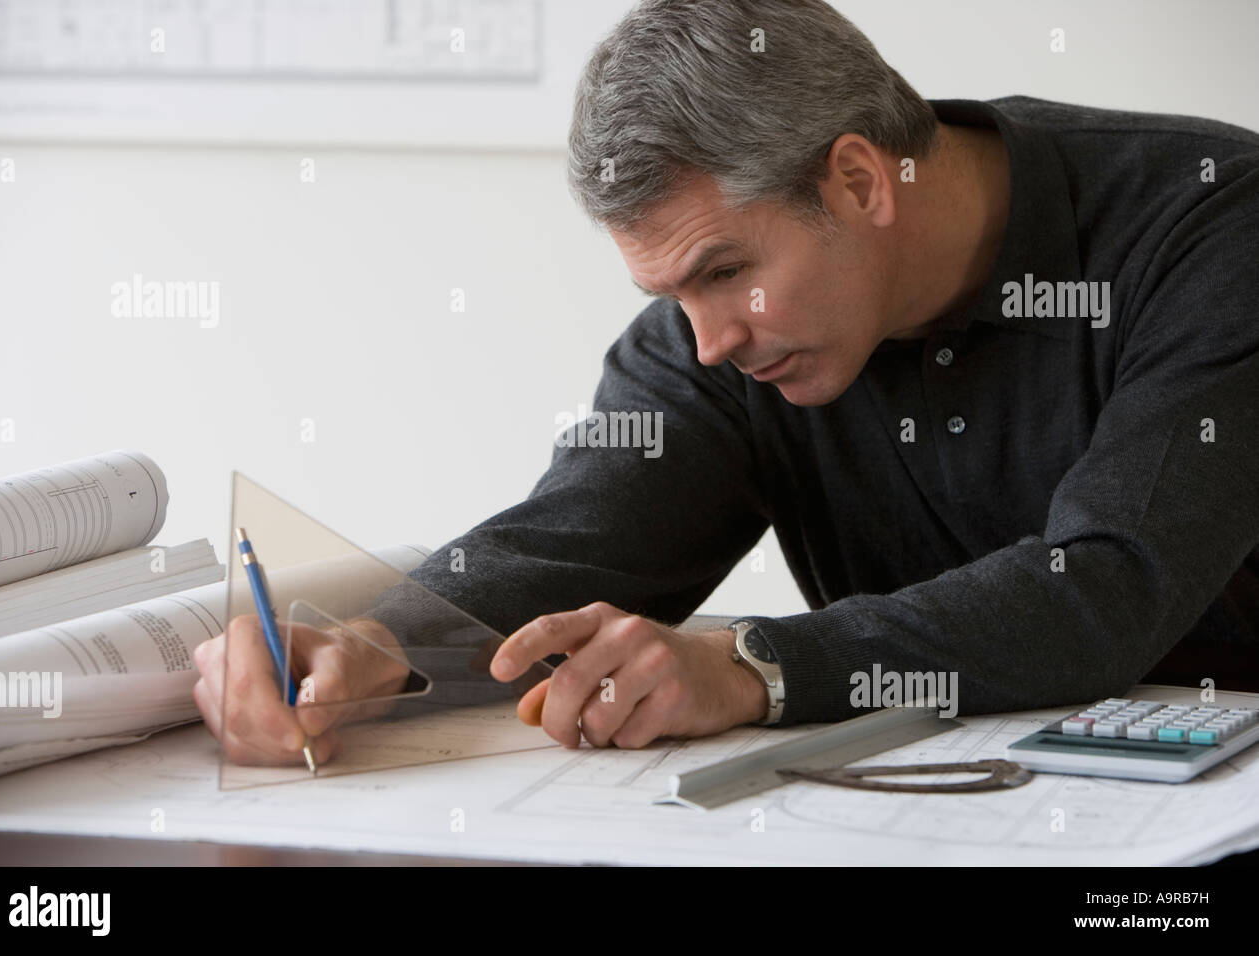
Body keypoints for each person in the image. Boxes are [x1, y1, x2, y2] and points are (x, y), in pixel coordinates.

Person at [194, 0, 1259, 766]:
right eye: (670, 294)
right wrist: (381, 646)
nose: (703, 343)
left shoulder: (1216, 222)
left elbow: (1108, 584)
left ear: (855, 179)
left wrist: (755, 664)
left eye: (722, 273)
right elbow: (572, 538)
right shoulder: (722, 338)